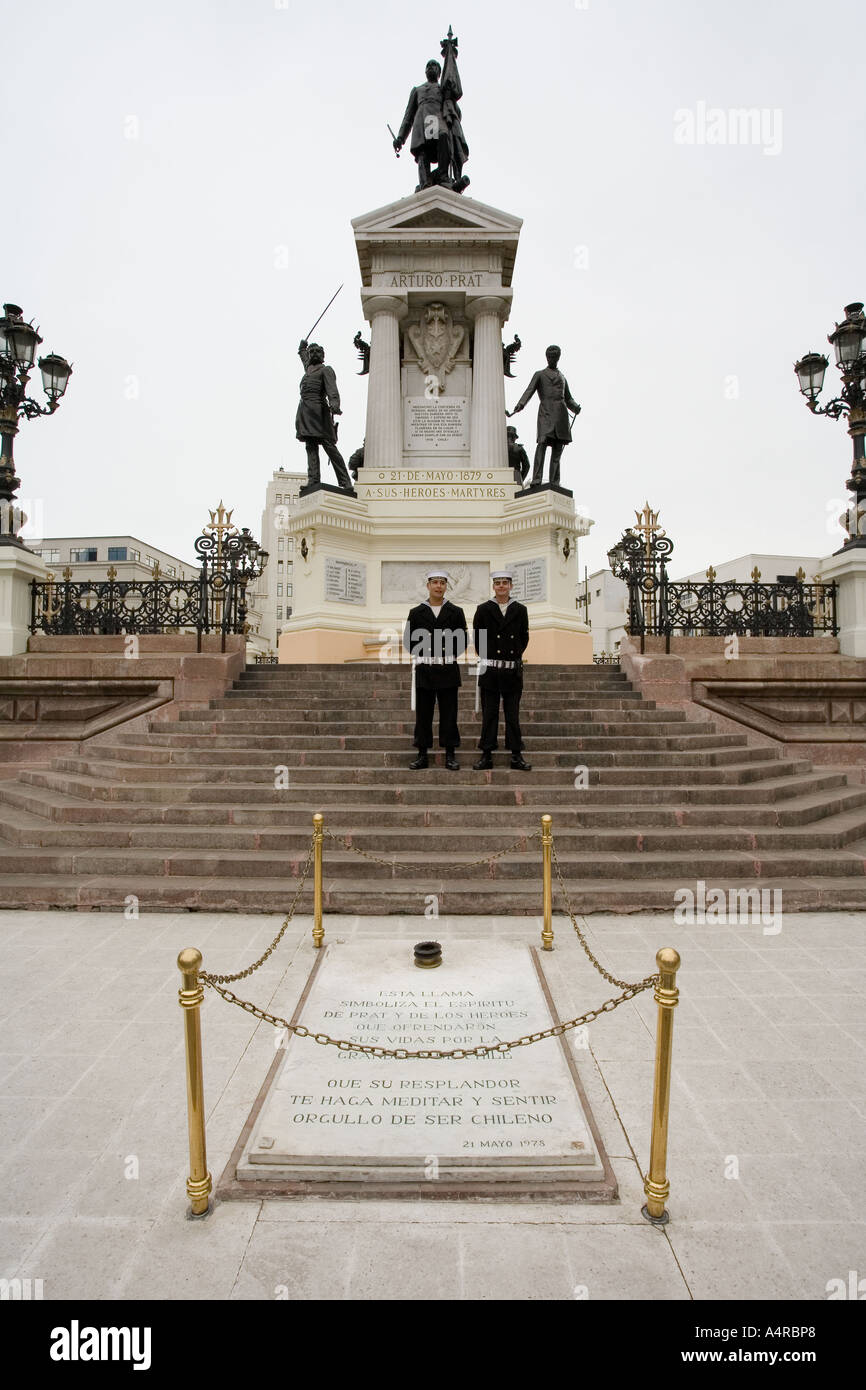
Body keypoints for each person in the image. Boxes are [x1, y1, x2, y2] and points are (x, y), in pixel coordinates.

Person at [403, 570, 468, 770]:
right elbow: (408, 640)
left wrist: (447, 654)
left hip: (447, 668)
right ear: (428, 585)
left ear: (446, 586)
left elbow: (463, 639)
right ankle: (422, 754)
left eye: (442, 583)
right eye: (435, 582)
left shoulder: (456, 612)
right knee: (423, 715)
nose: (438, 586)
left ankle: (450, 754)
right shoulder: (416, 612)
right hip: (426, 669)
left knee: (449, 714)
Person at [472, 570, 531, 771]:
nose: (501, 586)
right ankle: (486, 754)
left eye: (505, 583)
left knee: (512, 715)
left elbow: (524, 637)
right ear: (493, 587)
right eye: (498, 583)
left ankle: (516, 755)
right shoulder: (483, 609)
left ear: (511, 586)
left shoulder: (520, 610)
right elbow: (478, 637)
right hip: (490, 671)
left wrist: (512, 656)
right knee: (489, 715)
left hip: (512, 671)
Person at [507, 345, 581, 488]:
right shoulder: (540, 374)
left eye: (554, 357)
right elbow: (529, 391)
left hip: (561, 415)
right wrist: (520, 405)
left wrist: (575, 407)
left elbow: (568, 398)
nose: (551, 359)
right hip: (545, 414)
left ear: (558, 358)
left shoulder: (563, 377)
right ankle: (536, 479)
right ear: (546, 357)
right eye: (549, 357)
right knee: (542, 445)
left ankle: (554, 482)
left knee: (557, 451)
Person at [393, 55, 469, 193]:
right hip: (422, 122)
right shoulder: (417, 90)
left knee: (444, 136)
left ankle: (443, 177)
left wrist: (450, 98)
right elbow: (408, 116)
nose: (431, 68)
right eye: (428, 66)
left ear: (440, 73)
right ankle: (425, 182)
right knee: (423, 151)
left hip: (436, 119)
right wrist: (400, 137)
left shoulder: (443, 89)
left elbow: (455, 110)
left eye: (434, 66)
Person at [296, 340, 354, 492]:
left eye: (317, 352)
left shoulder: (326, 370)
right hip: (305, 412)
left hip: (319, 412)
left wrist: (335, 405)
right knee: (310, 447)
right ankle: (313, 479)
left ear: (322, 355)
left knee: (329, 447)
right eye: (311, 352)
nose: (314, 354)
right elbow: (304, 358)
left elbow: (332, 390)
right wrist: (302, 348)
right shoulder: (308, 369)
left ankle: (345, 481)